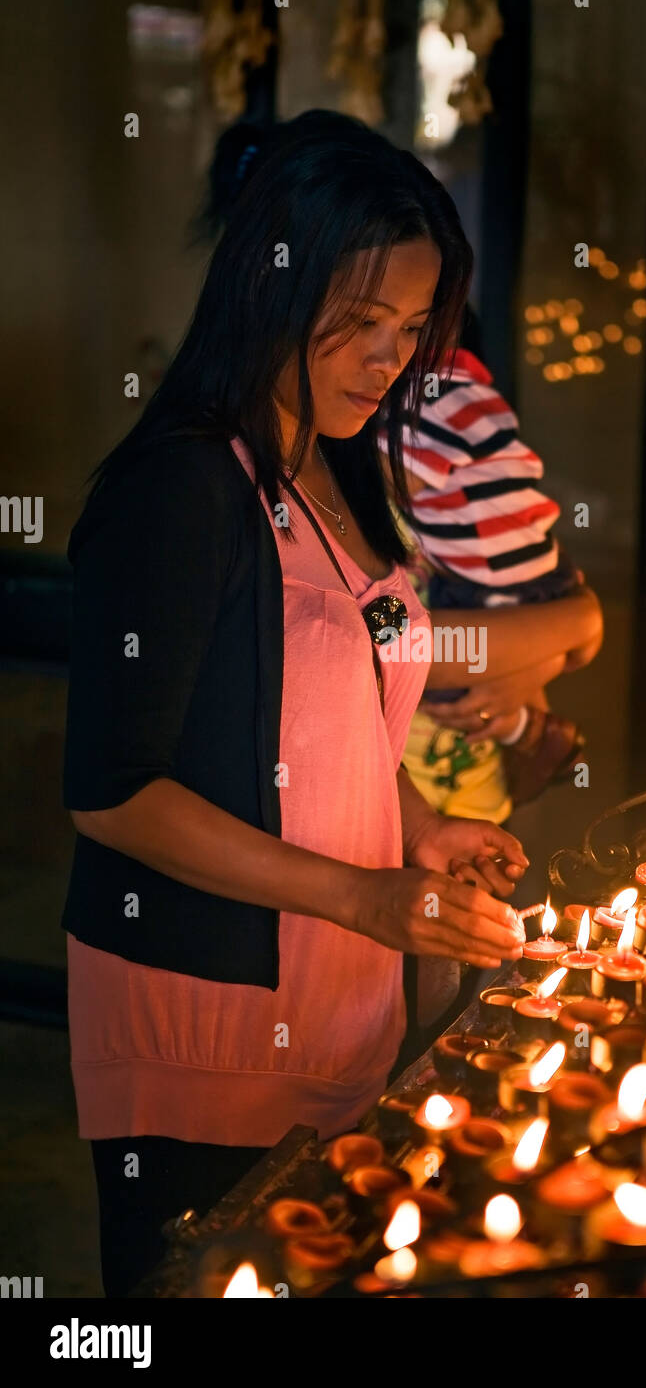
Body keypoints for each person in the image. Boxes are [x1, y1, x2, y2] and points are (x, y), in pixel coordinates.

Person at [61, 108, 533, 1296]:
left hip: (340, 999)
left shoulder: (340, 463)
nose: (389, 361)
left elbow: (341, 719)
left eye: (414, 329)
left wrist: (423, 832)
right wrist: (364, 897)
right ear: (269, 289)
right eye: (360, 322)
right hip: (208, 1018)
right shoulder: (181, 488)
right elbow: (115, 795)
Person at [389, 303, 597, 815]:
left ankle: (527, 732)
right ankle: (528, 732)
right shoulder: (351, 522)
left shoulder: (469, 511)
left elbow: (583, 634)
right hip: (393, 812)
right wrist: (556, 637)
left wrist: (557, 641)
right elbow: (407, 654)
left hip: (482, 796)